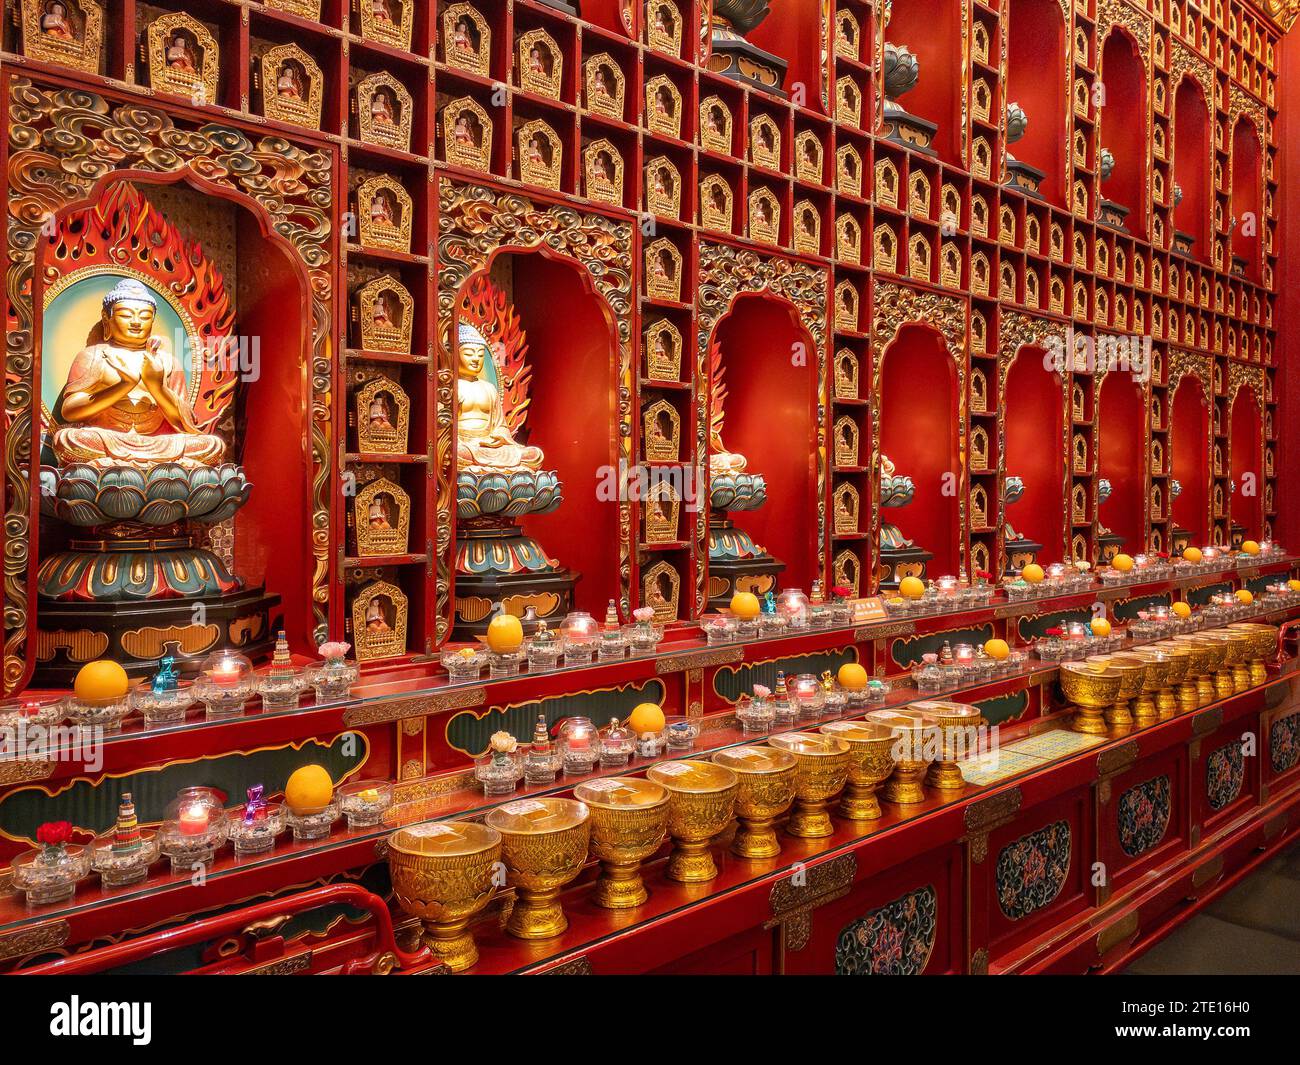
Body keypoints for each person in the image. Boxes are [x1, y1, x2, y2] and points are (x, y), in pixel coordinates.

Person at [50, 279, 225, 469]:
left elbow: (186, 423)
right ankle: (163, 470)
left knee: (213, 446)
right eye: (126, 315)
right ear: (106, 318)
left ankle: (116, 466)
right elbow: (70, 411)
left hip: (160, 445)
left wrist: (157, 387)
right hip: (107, 439)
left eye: (145, 316)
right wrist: (123, 385)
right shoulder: (93, 356)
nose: (136, 322)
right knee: (68, 439)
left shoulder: (167, 362)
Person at [455, 322, 543, 470]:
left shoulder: (489, 389)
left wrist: (499, 437)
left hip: (490, 446)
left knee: (534, 455)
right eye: (469, 354)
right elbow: (442, 428)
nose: (476, 358)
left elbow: (500, 425)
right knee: (456, 453)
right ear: (454, 356)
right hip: (465, 445)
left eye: (480, 354)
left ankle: (486, 470)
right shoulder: (450, 387)